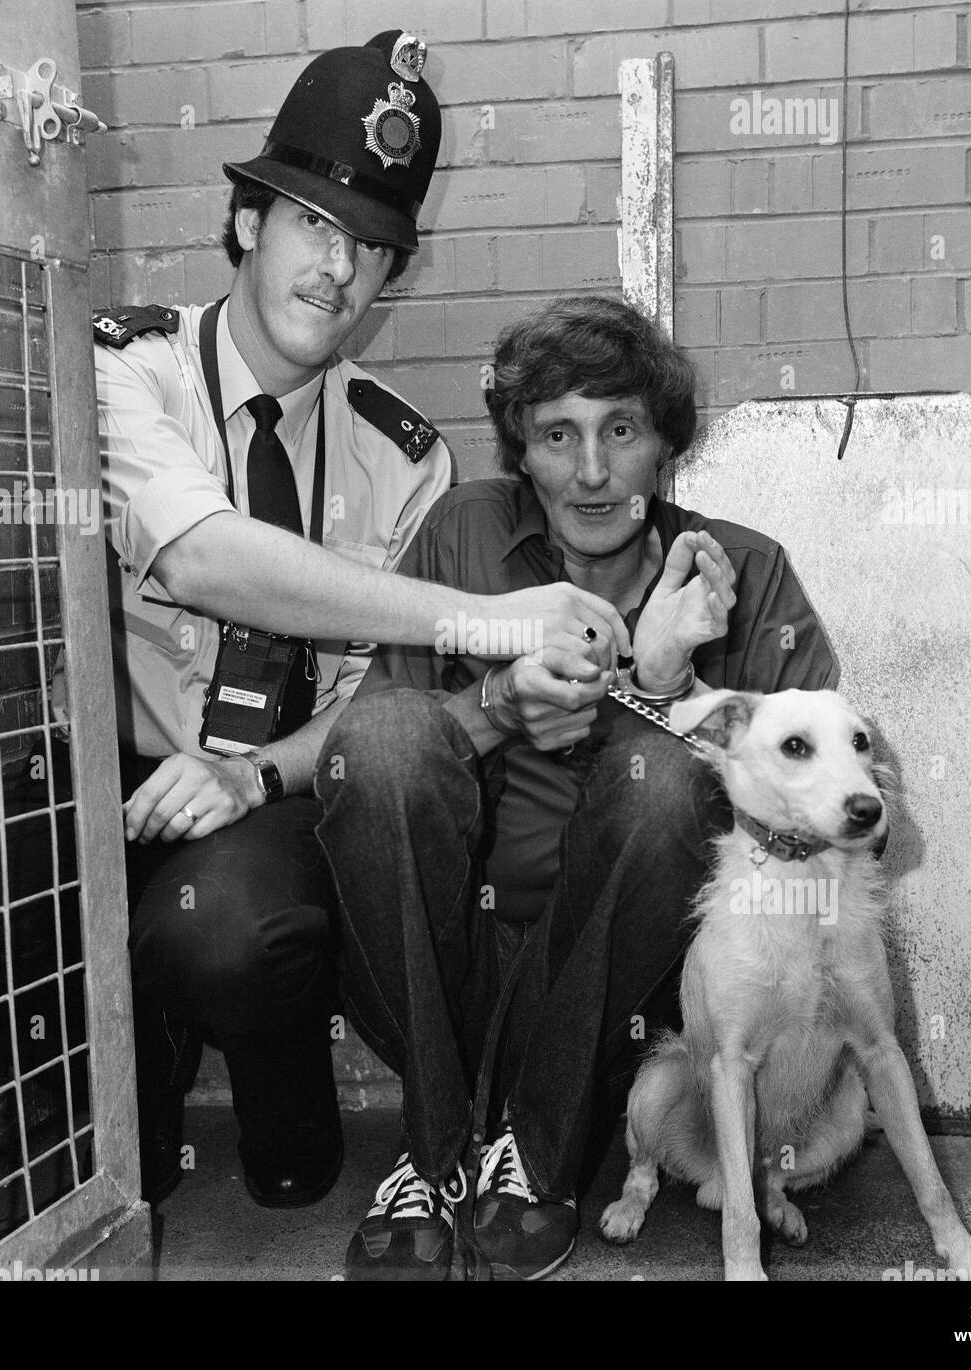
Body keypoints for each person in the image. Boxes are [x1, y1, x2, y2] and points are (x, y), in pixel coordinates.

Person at [81, 33, 630, 1213]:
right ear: (246, 224)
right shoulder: (126, 370)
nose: (341, 270)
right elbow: (206, 556)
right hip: (104, 769)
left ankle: (276, 1083)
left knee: (231, 928)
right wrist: (488, 620)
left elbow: (375, 712)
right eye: (315, 227)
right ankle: (104, 1084)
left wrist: (251, 781)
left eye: (373, 248)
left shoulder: (401, 457)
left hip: (269, 793)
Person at [315, 295, 841, 1279]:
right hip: (445, 962)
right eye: (558, 434)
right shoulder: (465, 533)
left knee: (661, 769)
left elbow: (825, 835)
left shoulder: (746, 573)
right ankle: (430, 1153)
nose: (591, 472)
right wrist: (501, 705)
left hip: (622, 995)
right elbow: (375, 755)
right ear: (522, 448)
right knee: (379, 734)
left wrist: (665, 689)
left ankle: (537, 1155)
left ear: (665, 447)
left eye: (621, 431)